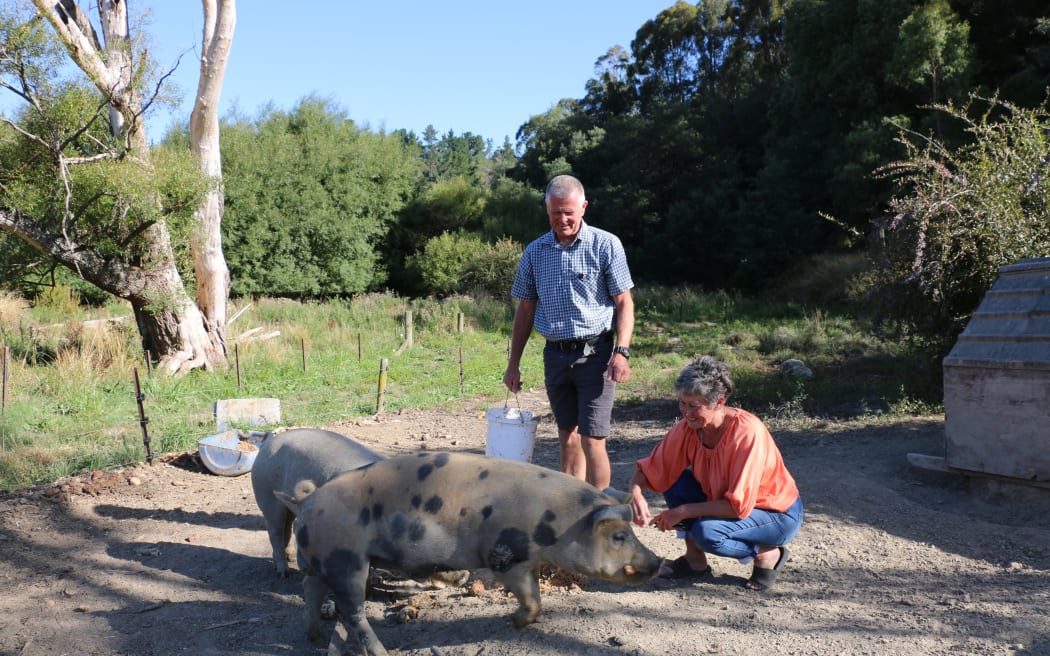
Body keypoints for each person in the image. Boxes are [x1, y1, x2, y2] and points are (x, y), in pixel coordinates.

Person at [503, 174, 634, 490]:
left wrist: (621, 351)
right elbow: (525, 311)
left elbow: (624, 302)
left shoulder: (605, 244)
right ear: (547, 209)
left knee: (593, 438)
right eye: (555, 212)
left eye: (569, 213)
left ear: (583, 207)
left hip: (597, 355)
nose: (562, 219)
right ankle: (572, 513)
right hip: (556, 354)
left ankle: (601, 515)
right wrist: (513, 363)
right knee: (568, 437)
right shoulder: (535, 252)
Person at [628, 355, 803, 591]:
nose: (686, 412)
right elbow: (651, 469)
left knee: (707, 533)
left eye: (694, 406)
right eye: (682, 403)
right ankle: (694, 562)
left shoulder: (746, 433)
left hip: (775, 515)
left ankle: (767, 552)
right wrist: (636, 494)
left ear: (718, 402)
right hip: (727, 503)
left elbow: (738, 507)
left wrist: (681, 512)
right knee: (675, 482)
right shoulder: (689, 428)